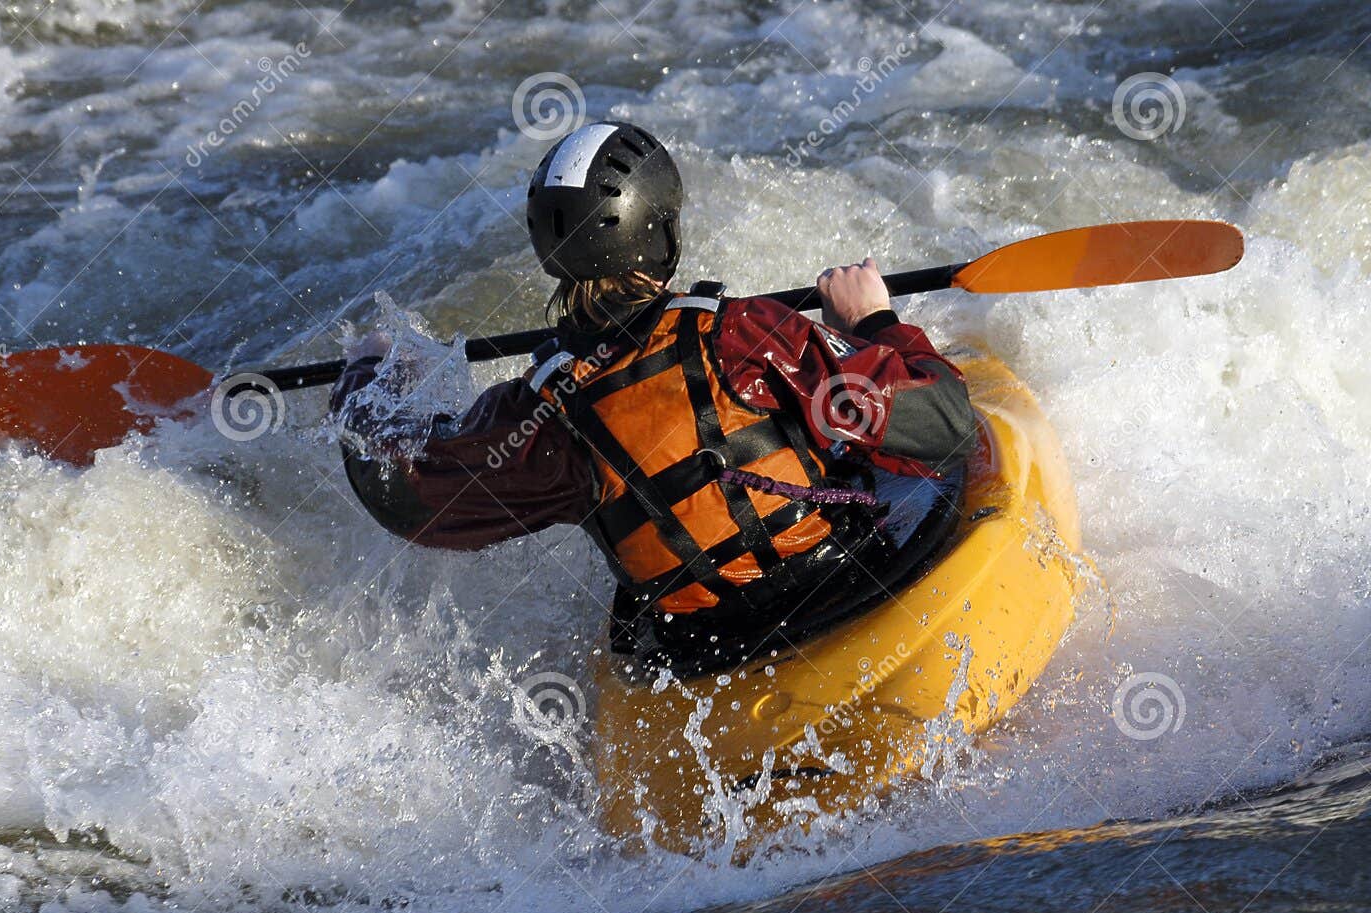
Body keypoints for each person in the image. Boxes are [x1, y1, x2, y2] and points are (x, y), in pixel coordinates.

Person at [331, 121, 977, 663]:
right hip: (847, 588)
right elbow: (944, 420)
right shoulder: (746, 334)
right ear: (663, 235)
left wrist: (369, 375)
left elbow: (406, 496)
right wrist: (871, 323)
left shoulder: (540, 416)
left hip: (710, 655)